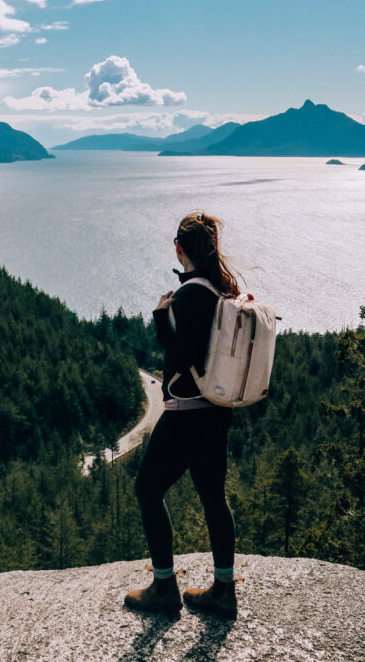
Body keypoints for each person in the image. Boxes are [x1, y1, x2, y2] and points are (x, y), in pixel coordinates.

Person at [124, 211, 239, 619]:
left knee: (148, 490)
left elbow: (181, 355)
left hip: (186, 414)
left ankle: (163, 587)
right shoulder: (218, 290)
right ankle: (223, 590)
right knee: (212, 496)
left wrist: (160, 318)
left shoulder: (191, 294)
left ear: (179, 248)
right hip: (215, 412)